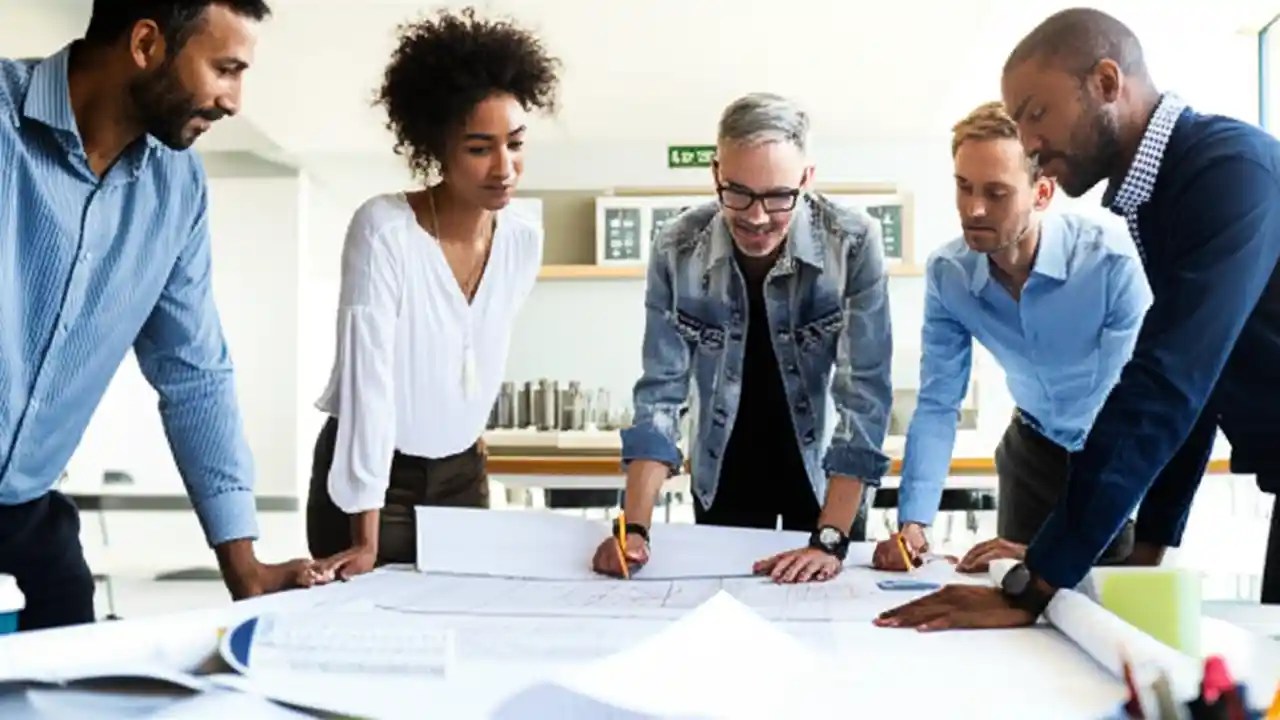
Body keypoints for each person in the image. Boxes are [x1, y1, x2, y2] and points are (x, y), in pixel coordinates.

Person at [877, 7, 1280, 631]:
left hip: (1114, 447)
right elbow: (1199, 388)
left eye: (1036, 113)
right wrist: (1138, 561)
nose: (1031, 143)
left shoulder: (1228, 172)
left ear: (1107, 83)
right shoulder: (1162, 195)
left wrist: (1034, 583)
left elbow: (1166, 385)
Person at [0, 0, 322, 631]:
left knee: (74, 647)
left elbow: (193, 371)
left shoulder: (177, 190)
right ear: (146, 44)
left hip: (26, 504)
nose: (234, 101)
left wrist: (244, 565)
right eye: (225, 69)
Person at [590, 92, 894, 585]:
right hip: (724, 472)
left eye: (778, 196)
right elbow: (662, 392)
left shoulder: (853, 242)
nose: (756, 217)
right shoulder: (676, 246)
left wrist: (831, 538)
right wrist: (635, 527)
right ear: (715, 176)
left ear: (806, 181)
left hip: (825, 479)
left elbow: (864, 395)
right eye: (738, 193)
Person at [305, 8, 560, 580]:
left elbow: (477, 356)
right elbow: (368, 385)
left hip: (463, 478)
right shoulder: (384, 229)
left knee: (463, 634)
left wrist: (472, 447)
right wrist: (364, 537)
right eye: (478, 148)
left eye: (515, 143)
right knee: (365, 643)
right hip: (374, 487)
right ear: (437, 145)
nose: (504, 168)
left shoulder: (522, 239)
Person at [871, 101, 1151, 573]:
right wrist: (914, 522)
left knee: (1098, 613)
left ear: (1042, 193)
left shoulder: (1111, 265)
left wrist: (1054, 550)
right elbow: (939, 402)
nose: (974, 209)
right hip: (1031, 451)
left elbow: (1128, 406)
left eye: (997, 193)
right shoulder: (949, 274)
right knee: (1013, 604)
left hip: (1111, 454)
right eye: (964, 188)